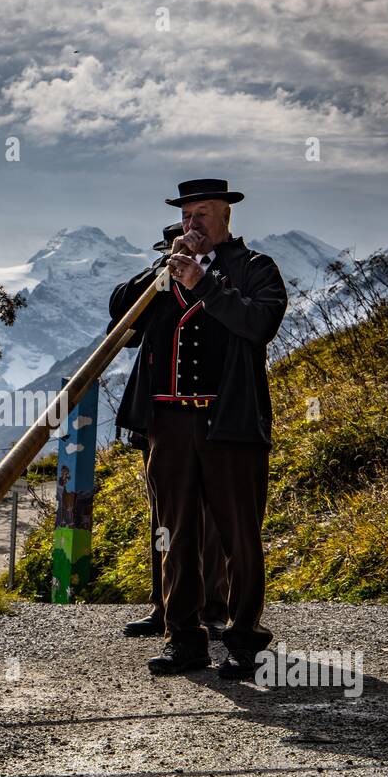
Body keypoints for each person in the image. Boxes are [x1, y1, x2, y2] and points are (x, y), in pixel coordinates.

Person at [107, 177, 287, 679]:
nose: (193, 225)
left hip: (228, 423)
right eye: (187, 216)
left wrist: (203, 285)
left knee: (239, 536)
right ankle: (183, 640)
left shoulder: (256, 270)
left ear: (226, 217)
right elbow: (120, 322)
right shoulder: (161, 275)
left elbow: (258, 325)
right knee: (174, 533)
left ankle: (245, 643)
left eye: (203, 214)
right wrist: (159, 273)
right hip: (168, 423)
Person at [111, 221, 229, 641]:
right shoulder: (156, 288)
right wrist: (162, 268)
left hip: (212, 416)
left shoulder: (219, 285)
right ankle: (165, 605)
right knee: (164, 518)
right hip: (157, 417)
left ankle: (213, 607)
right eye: (174, 251)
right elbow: (120, 321)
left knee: (211, 516)